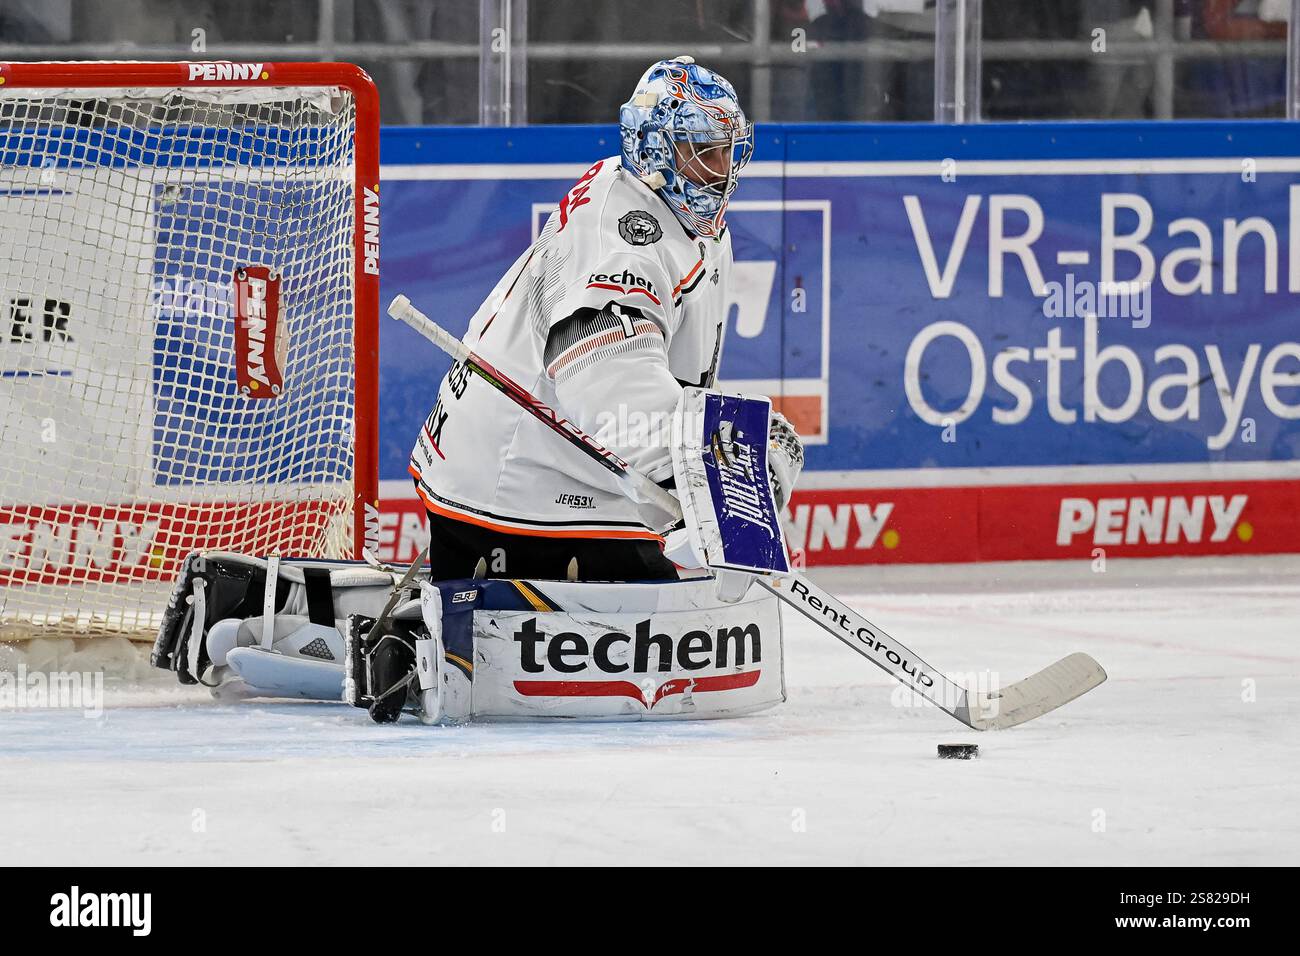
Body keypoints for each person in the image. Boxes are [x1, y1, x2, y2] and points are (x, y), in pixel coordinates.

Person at [408, 56, 802, 583]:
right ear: (653, 147)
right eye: (700, 153)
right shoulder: (621, 243)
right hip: (518, 488)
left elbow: (664, 377)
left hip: (554, 463)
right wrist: (719, 469)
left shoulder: (675, 212)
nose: (719, 173)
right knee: (659, 634)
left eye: (726, 153)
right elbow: (612, 393)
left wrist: (717, 443)